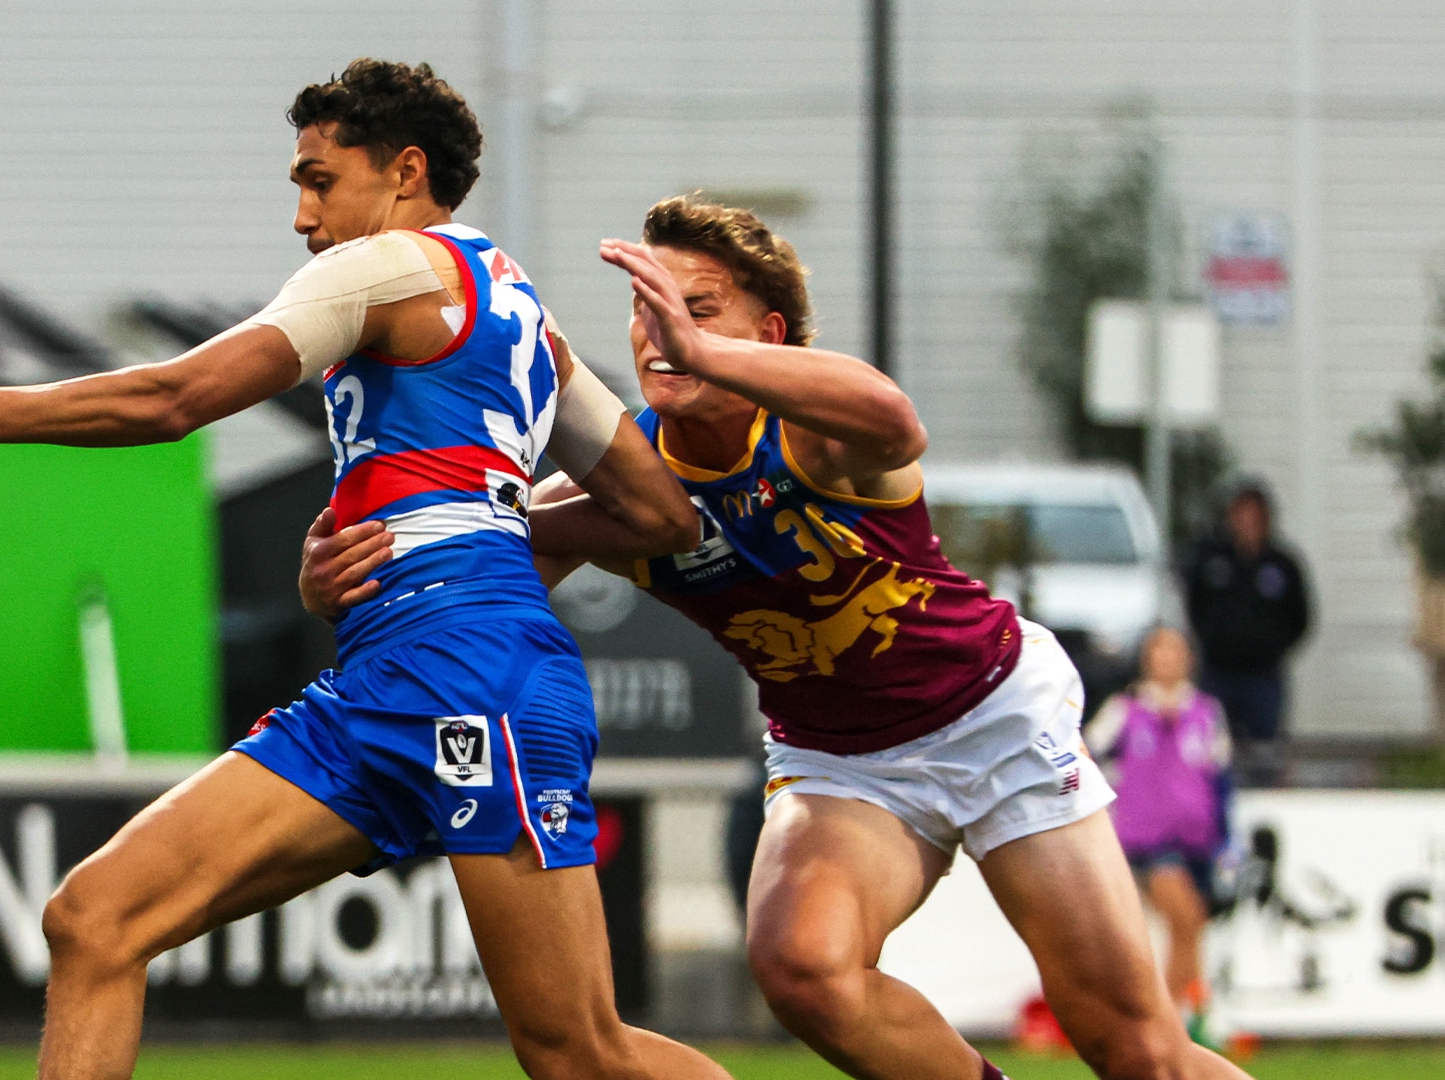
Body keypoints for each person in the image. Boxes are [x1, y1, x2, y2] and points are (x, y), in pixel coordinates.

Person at [0, 60, 731, 1080]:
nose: (301, 214)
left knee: (575, 1052)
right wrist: (462, 528)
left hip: (473, 675)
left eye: (319, 179)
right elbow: (660, 511)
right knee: (95, 920)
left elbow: (173, 399)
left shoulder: (384, 269)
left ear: (404, 170)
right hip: (388, 676)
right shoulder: (523, 317)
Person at [302, 195, 1256, 1080]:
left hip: (990, 714)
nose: (658, 331)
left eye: (697, 306)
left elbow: (897, 419)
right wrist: (336, 584)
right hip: (842, 758)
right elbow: (469, 581)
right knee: (801, 967)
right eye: (647, 309)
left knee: (1132, 1046)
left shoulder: (813, 431)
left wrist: (707, 355)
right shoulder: (625, 482)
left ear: (766, 335)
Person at [1086, 626, 1233, 1042]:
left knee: (1192, 925)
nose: (1168, 659)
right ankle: (1166, 1023)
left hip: (1196, 840)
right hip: (1146, 840)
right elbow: (1086, 755)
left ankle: (1190, 1017)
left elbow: (1220, 779)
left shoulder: (1205, 711)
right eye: (1160, 651)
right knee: (1185, 918)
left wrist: (1226, 839)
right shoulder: (1125, 710)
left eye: (1176, 650)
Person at [1183, 480, 1312, 786]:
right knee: (1211, 746)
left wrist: (1274, 647)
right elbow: (1194, 605)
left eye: (1255, 516)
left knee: (1264, 749)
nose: (1248, 523)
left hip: (1262, 676)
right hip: (1217, 671)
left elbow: (1301, 617)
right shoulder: (1212, 559)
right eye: (1242, 515)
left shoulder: (1282, 564)